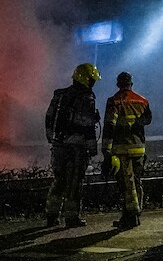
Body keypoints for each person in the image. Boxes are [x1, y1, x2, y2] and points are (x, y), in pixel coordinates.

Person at [45, 63, 101, 228]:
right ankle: (72, 218)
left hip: (58, 145)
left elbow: (48, 118)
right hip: (76, 147)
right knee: (75, 182)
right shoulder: (86, 97)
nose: (93, 83)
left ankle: (51, 216)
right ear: (85, 79)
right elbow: (87, 126)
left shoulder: (59, 95)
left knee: (59, 180)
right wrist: (92, 147)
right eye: (92, 79)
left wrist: (53, 138)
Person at [102, 71, 152, 229]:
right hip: (139, 148)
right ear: (131, 84)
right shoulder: (142, 100)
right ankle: (135, 214)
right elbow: (148, 119)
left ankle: (130, 216)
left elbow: (109, 126)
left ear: (118, 84)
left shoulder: (114, 101)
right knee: (136, 181)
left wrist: (106, 150)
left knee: (125, 184)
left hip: (122, 149)